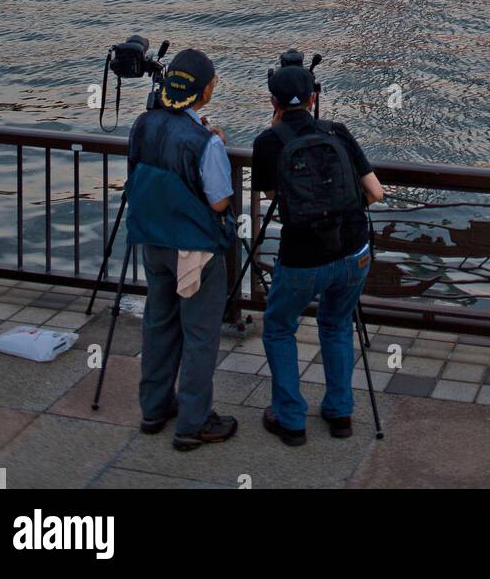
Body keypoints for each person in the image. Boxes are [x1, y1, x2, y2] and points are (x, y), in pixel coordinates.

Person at [252, 61, 384, 446]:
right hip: (354, 250)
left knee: (279, 327)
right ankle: (340, 414)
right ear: (314, 98)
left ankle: (291, 421)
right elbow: (376, 193)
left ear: (272, 100)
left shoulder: (266, 143)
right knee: (337, 325)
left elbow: (278, 201)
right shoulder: (337, 132)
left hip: (303, 258)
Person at [126, 50, 238, 451]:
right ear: (204, 91)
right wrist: (217, 145)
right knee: (200, 336)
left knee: (158, 326)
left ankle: (154, 408)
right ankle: (193, 423)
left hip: (152, 242)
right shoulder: (205, 142)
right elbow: (220, 202)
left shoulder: (143, 123)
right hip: (195, 252)